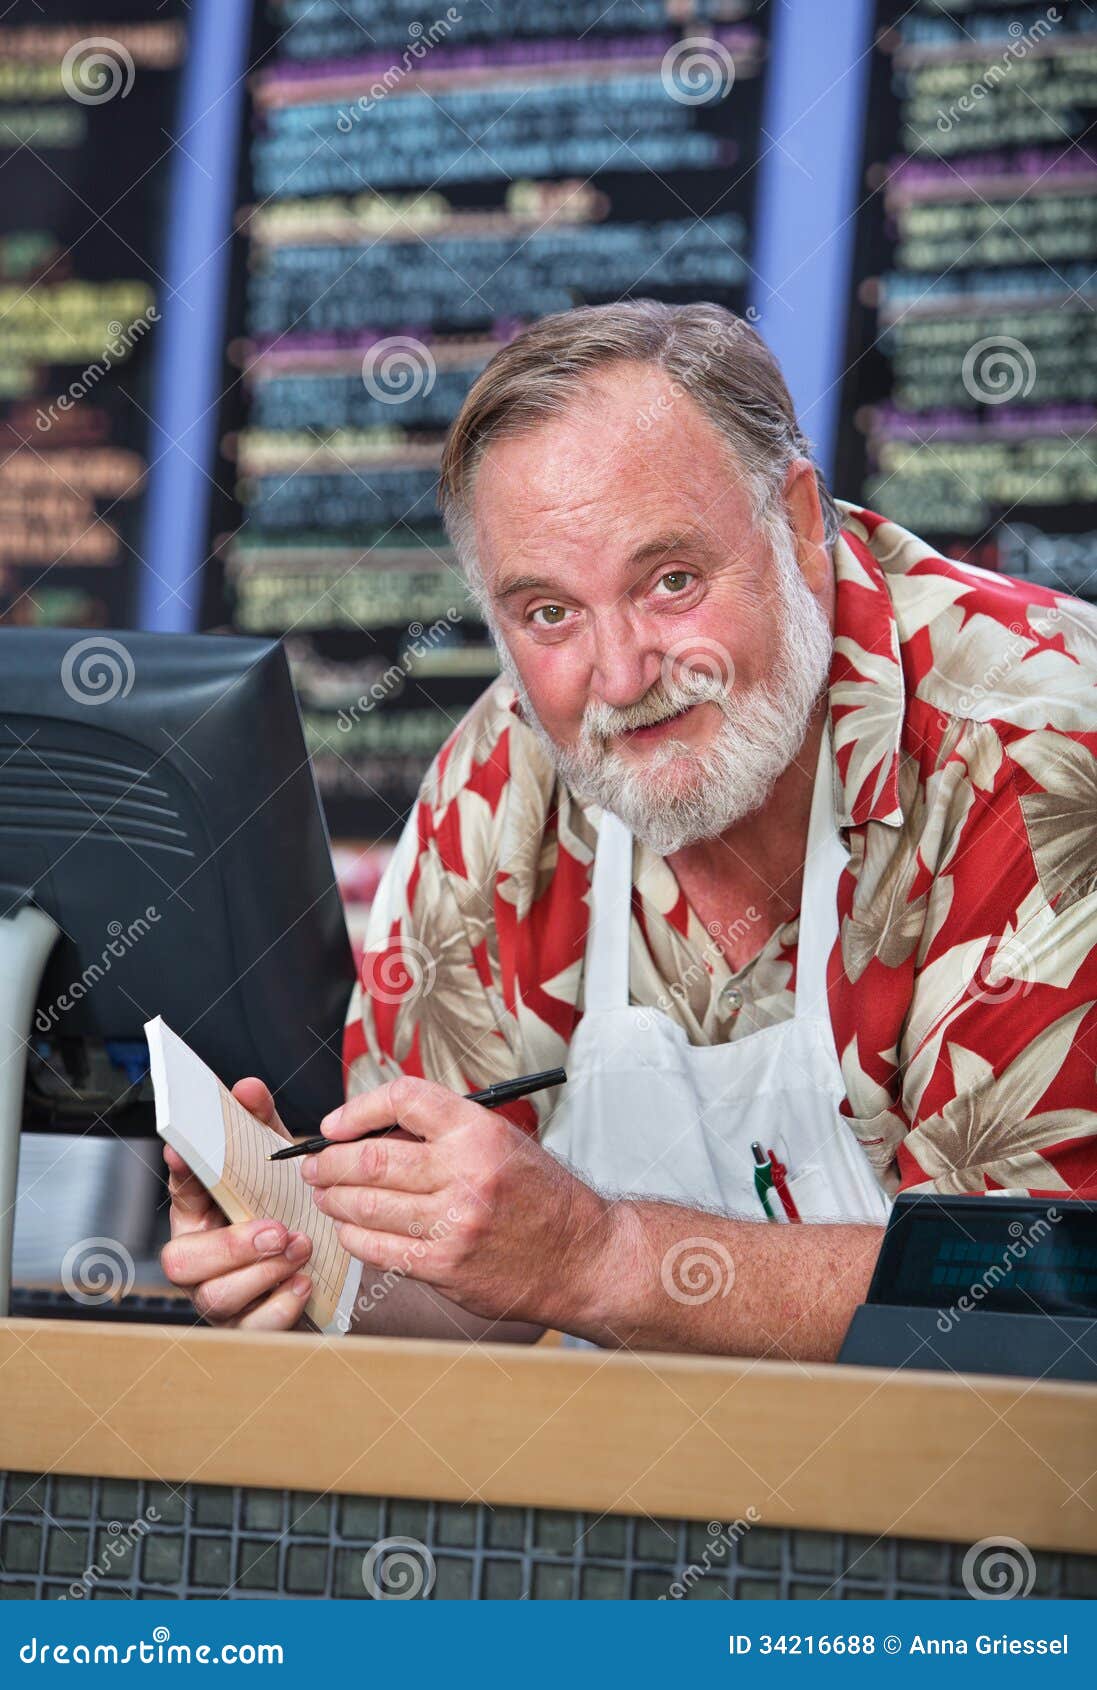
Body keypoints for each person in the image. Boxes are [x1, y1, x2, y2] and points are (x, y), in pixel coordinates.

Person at [161, 300, 1097, 1358]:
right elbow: (467, 1287)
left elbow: (1036, 1303)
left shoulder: (1035, 754)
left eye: (670, 581)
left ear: (796, 521)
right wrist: (314, 1260)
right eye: (548, 613)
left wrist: (602, 1256)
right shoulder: (500, 780)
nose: (619, 677)